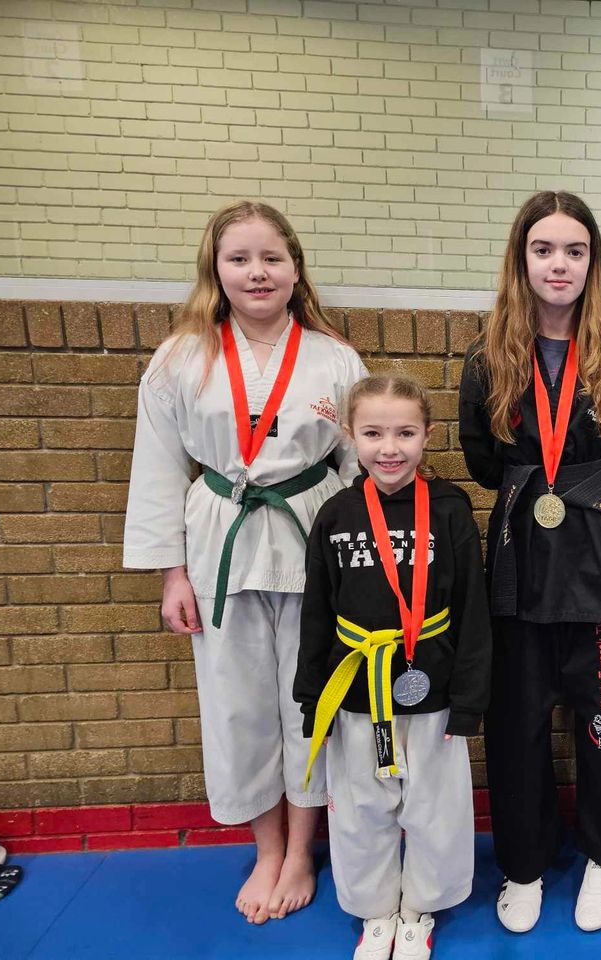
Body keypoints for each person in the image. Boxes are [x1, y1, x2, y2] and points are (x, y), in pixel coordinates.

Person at [123, 200, 368, 923]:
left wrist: (365, 565)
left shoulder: (333, 357)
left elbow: (359, 464)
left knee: (311, 695)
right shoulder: (181, 358)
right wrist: (172, 573)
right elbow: (159, 468)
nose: (257, 272)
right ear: (216, 269)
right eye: (239, 259)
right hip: (220, 539)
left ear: (295, 270)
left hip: (311, 534)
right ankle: (267, 849)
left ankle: (302, 851)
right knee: (237, 705)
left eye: (271, 258)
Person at [458, 191, 601, 934]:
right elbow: (482, 462)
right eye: (543, 250)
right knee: (517, 722)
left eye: (576, 251)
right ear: (521, 260)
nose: (559, 265)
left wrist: (577, 483)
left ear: (592, 263)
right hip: (522, 556)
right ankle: (525, 862)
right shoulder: (488, 359)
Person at [295, 374, 491, 960]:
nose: (389, 448)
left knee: (435, 809)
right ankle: (375, 911)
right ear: (349, 435)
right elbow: (316, 610)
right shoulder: (335, 514)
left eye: (405, 433)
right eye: (373, 433)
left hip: (434, 690)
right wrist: (312, 696)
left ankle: (421, 908)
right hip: (356, 689)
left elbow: (473, 610)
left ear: (427, 435)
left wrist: (470, 700)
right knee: (360, 810)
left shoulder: (450, 510)